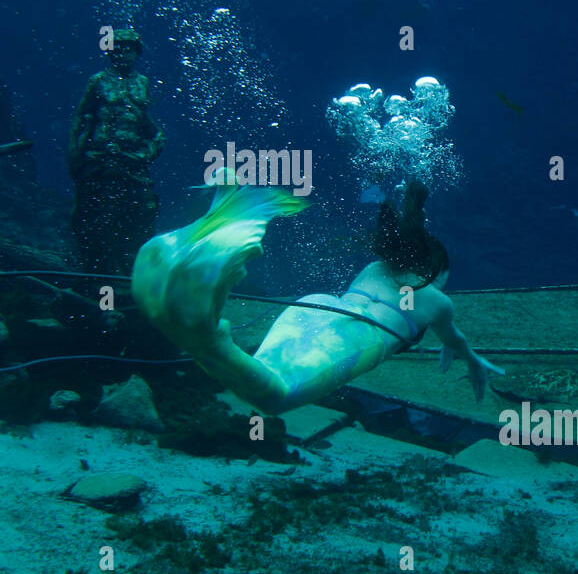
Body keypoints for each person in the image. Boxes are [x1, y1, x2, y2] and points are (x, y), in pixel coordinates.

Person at [132, 175, 503, 414]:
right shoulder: (438, 301)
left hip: (319, 304)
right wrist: (471, 359)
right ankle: (207, 333)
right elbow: (456, 338)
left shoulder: (376, 268)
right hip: (364, 332)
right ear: (436, 272)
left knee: (261, 371)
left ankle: (196, 307)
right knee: (273, 397)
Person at [67, 29, 165, 275]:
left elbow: (143, 120)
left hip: (133, 162)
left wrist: (149, 150)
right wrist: (76, 158)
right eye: (117, 48)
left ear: (136, 53)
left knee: (142, 212)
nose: (122, 53)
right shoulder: (98, 81)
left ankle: (134, 272)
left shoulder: (142, 83)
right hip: (101, 160)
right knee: (98, 218)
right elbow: (81, 119)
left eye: (128, 48)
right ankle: (99, 274)